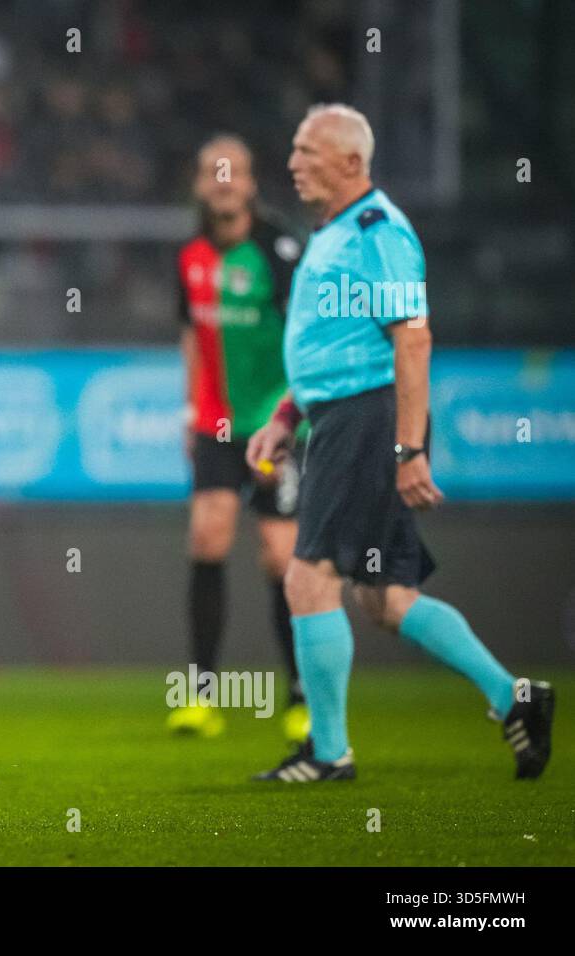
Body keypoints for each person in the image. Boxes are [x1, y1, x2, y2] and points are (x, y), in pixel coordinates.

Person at [248, 104, 554, 782]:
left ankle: (329, 754)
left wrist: (408, 449)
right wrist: (286, 413)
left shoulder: (378, 232)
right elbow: (328, 345)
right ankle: (516, 697)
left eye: (307, 151)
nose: (293, 163)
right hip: (341, 415)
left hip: (367, 421)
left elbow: (412, 338)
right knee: (381, 597)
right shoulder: (332, 233)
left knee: (309, 578)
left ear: (352, 162)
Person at [169, 135, 309, 742]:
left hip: (274, 427)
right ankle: (202, 694)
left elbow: (305, 334)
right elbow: (190, 336)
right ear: (200, 184)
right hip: (216, 426)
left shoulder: (280, 251)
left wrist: (295, 414)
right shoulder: (190, 255)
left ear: (251, 183)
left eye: (234, 173)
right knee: (207, 536)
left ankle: (301, 694)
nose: (223, 182)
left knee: (281, 555)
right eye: (212, 173)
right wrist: (187, 409)